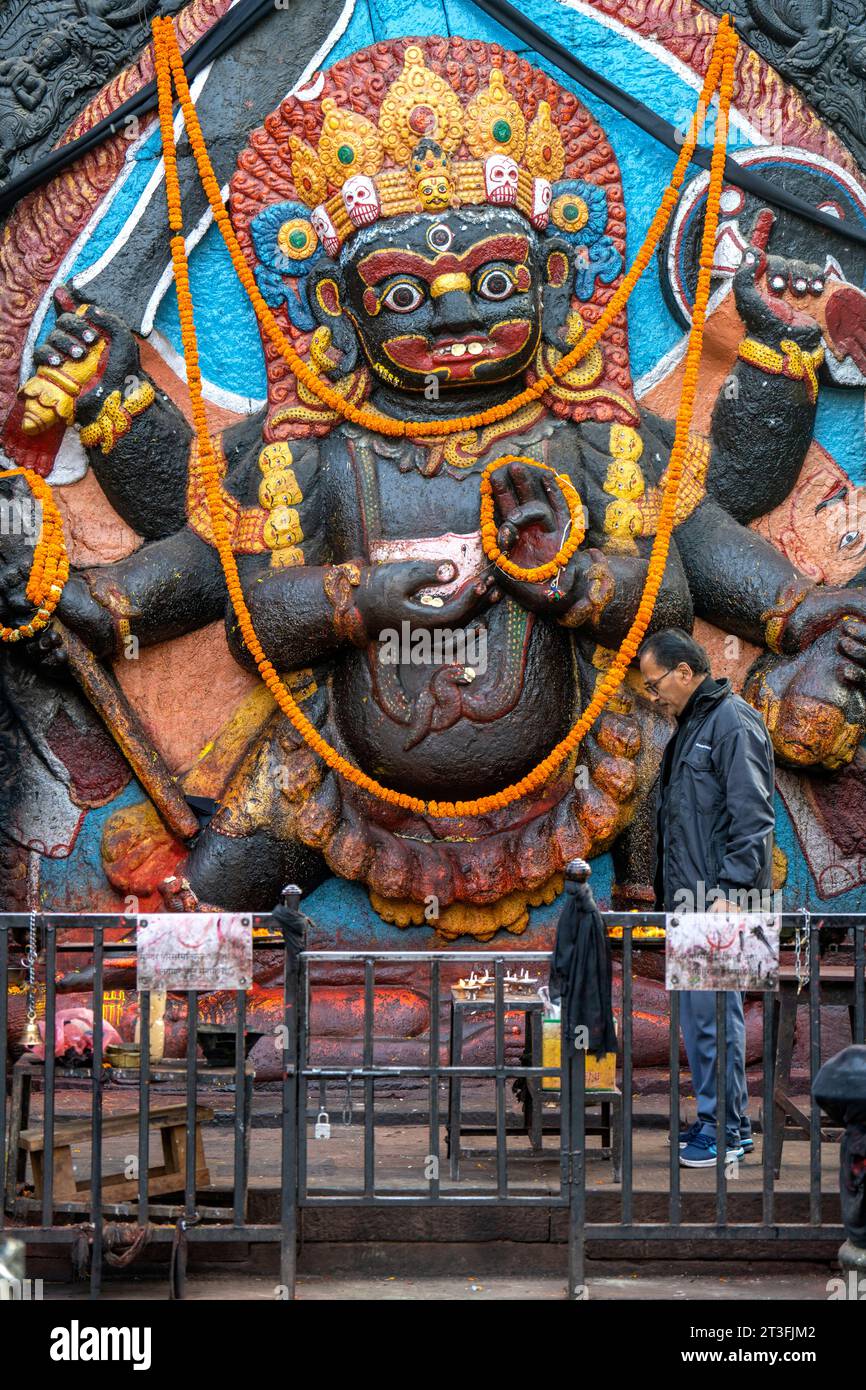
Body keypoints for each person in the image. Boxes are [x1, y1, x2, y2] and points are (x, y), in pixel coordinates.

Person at [638, 628, 776, 1168]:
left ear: (686, 672)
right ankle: (728, 1127)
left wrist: (733, 892)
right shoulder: (696, 725)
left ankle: (720, 1132)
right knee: (708, 1021)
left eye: (655, 684)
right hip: (698, 900)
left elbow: (754, 817)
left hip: (724, 902)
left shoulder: (732, 722)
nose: (654, 695)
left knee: (715, 1020)